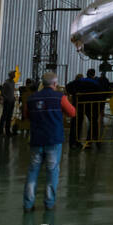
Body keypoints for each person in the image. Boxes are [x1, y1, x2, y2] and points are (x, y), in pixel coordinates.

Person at [23, 72, 76, 211]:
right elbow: (72, 113)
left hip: (36, 140)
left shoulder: (31, 98)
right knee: (52, 171)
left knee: (33, 171)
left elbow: (26, 116)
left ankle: (28, 204)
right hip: (53, 140)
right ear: (55, 84)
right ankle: (49, 203)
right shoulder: (60, 97)